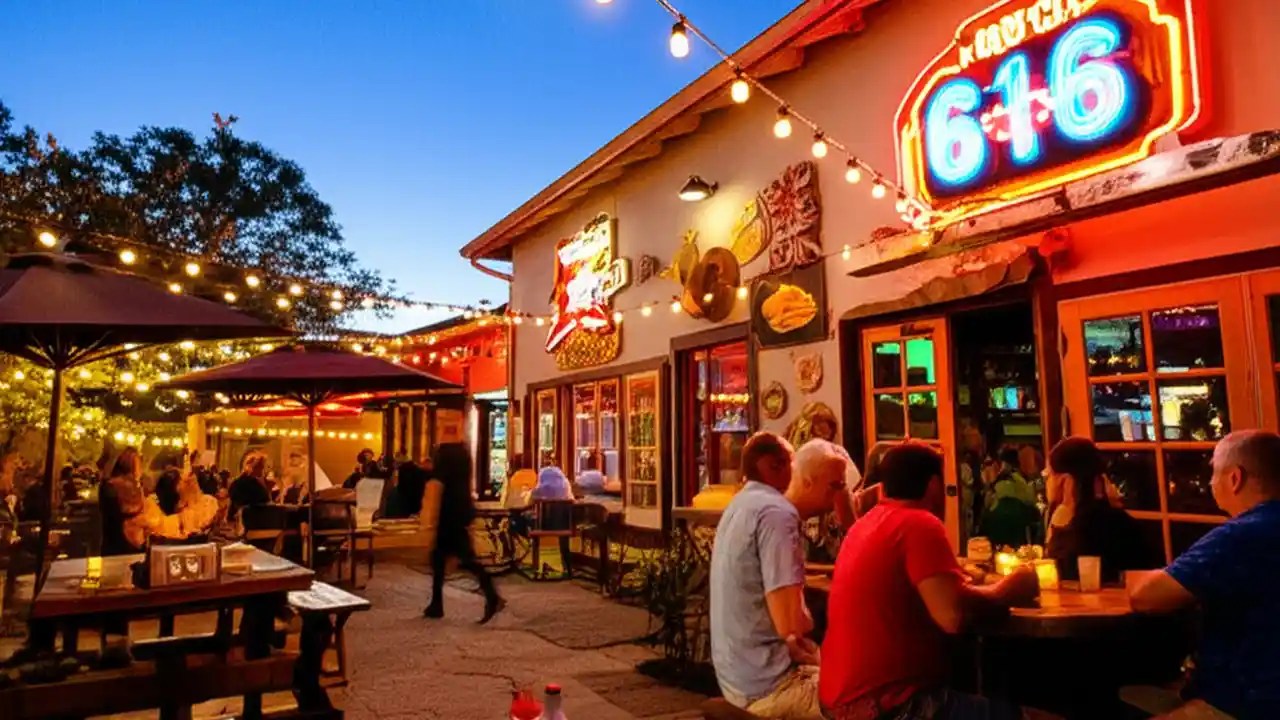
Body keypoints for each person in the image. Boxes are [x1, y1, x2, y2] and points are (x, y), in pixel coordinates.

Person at [819, 443, 1043, 720]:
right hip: (887, 707)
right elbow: (952, 616)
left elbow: (938, 592)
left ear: (884, 488)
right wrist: (1010, 588)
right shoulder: (919, 522)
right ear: (935, 485)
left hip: (843, 701)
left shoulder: (866, 524)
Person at [1128, 430, 1280, 719]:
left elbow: (1146, 597)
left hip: (1244, 703)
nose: (1210, 483)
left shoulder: (1241, 535)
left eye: (1214, 472)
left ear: (1235, 478)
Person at [709, 434, 850, 719]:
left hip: (737, 677)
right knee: (870, 701)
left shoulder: (741, 503)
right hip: (769, 686)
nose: (794, 472)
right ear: (774, 466)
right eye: (790, 464)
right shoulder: (777, 513)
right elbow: (792, 624)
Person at [1044, 437, 1154, 582]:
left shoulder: (1083, 526)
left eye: (1049, 475)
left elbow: (1062, 575)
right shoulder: (1118, 519)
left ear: (1065, 480)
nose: (1047, 482)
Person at [422, 442, 503, 623]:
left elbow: (437, 495)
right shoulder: (460, 478)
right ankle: (436, 604)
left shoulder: (445, 477)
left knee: (463, 561)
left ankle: (491, 596)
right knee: (442, 560)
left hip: (449, 521)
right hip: (457, 519)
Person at [229, 452, 271, 520]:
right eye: (261, 467)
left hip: (246, 521)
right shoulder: (252, 484)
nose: (262, 470)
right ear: (253, 467)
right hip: (252, 522)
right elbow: (265, 501)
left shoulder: (237, 482)